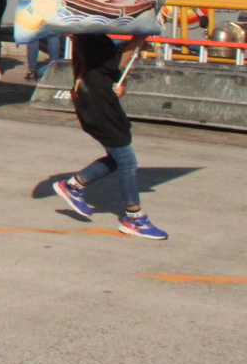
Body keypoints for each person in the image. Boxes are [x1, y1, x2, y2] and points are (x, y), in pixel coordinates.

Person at [50, 33, 167, 239]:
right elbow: (115, 63)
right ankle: (134, 217)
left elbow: (110, 70)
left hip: (98, 102)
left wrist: (120, 86)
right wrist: (137, 39)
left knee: (118, 158)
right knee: (127, 161)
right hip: (97, 106)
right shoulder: (89, 36)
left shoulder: (90, 35)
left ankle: (73, 185)